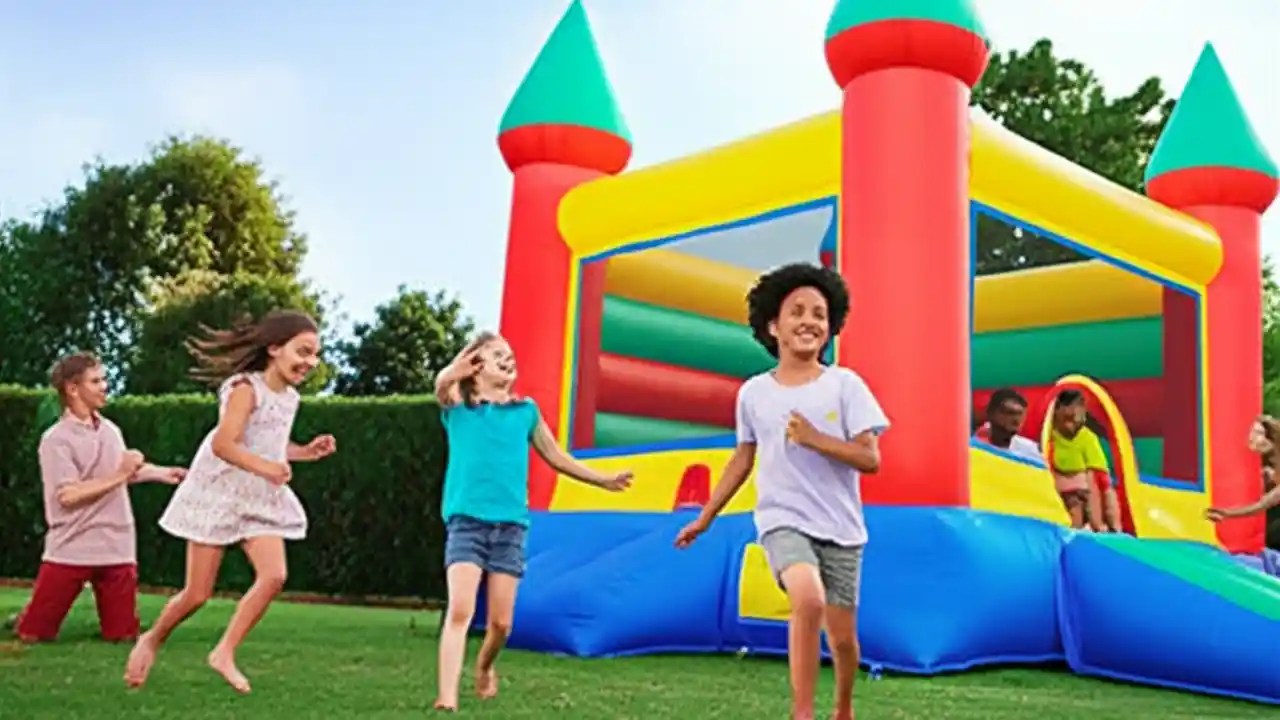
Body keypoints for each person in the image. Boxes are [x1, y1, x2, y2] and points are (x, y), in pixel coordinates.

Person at [674, 263, 887, 720]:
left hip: (842, 529)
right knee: (806, 598)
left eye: (819, 314)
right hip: (782, 519)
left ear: (831, 327)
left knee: (843, 640)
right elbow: (742, 459)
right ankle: (802, 712)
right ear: (774, 326)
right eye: (797, 312)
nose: (809, 321)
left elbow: (870, 459)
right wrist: (704, 518)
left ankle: (843, 706)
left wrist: (816, 439)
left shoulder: (845, 385)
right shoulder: (754, 393)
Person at [124, 310, 336, 694]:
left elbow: (269, 445)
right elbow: (224, 444)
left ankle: (224, 651)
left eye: (315, 354)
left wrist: (305, 451)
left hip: (257, 497)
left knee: (274, 575)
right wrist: (267, 468)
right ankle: (151, 639)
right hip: (218, 493)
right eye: (303, 351)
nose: (310, 362)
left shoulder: (289, 398)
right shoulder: (244, 388)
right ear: (274, 348)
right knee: (197, 594)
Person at [433, 331, 634, 712]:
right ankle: (447, 697)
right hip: (467, 524)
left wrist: (603, 480)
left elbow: (556, 456)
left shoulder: (526, 412)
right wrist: (455, 370)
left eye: (509, 353)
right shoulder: (458, 409)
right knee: (460, 610)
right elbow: (441, 385)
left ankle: (484, 666)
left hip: (510, 528)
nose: (507, 358)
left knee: (501, 624)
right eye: (496, 354)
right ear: (475, 366)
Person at [12, 352, 185, 644]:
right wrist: (122, 473)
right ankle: (24, 618)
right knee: (34, 633)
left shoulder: (111, 431)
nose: (105, 386)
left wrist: (167, 473)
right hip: (71, 546)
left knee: (123, 635)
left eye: (104, 380)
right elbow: (68, 495)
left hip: (117, 545)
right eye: (96, 381)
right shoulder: (56, 439)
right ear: (72, 388)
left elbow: (121, 472)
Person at [1206, 415, 1280, 548]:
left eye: (1258, 434)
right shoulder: (1269, 463)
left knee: (1274, 534)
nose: (1251, 438)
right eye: (1253, 432)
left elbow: (1264, 504)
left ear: (1270, 441)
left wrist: (1228, 514)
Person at [1048, 391, 1117, 531]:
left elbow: (1102, 480)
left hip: (1085, 492)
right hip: (1061, 494)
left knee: (1094, 487)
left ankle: (1103, 528)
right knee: (1074, 507)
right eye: (1068, 416)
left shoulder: (1088, 438)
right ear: (1056, 411)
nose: (1074, 420)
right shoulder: (1049, 437)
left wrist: (1108, 523)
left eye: (1079, 412)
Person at [973, 388, 1042, 463]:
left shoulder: (1030, 450)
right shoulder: (973, 447)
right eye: (1010, 413)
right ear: (991, 413)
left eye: (1020, 414)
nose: (1016, 420)